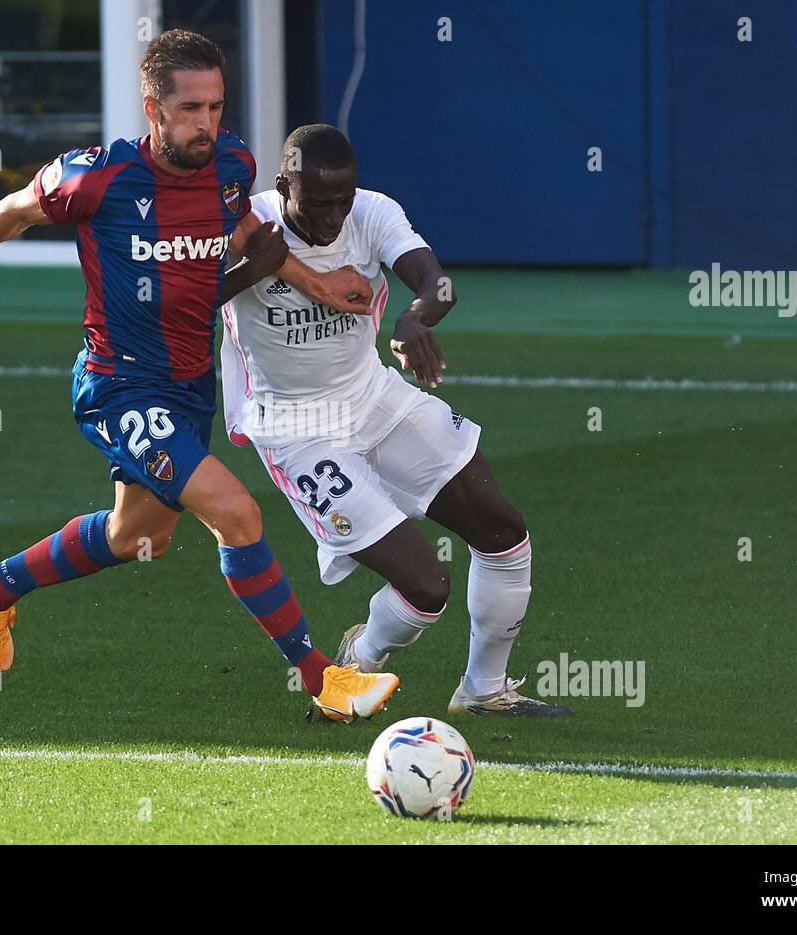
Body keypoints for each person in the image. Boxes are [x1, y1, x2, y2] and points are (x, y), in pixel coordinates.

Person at [0, 33, 398, 721]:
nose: (206, 122)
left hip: (187, 385)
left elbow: (239, 235)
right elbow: (17, 208)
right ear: (153, 107)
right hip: (118, 385)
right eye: (189, 108)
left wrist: (316, 280)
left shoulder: (233, 164)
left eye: (215, 106)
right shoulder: (98, 177)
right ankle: (324, 676)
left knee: (135, 536)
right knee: (236, 514)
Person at [221, 124, 572, 718]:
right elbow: (179, 300)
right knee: (426, 586)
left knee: (502, 532)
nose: (335, 216)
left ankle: (484, 690)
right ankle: (356, 667)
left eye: (343, 199)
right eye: (319, 202)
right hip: (297, 431)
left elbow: (439, 282)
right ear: (283, 187)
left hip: (376, 398)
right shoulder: (243, 229)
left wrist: (415, 318)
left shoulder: (373, 212)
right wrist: (255, 269)